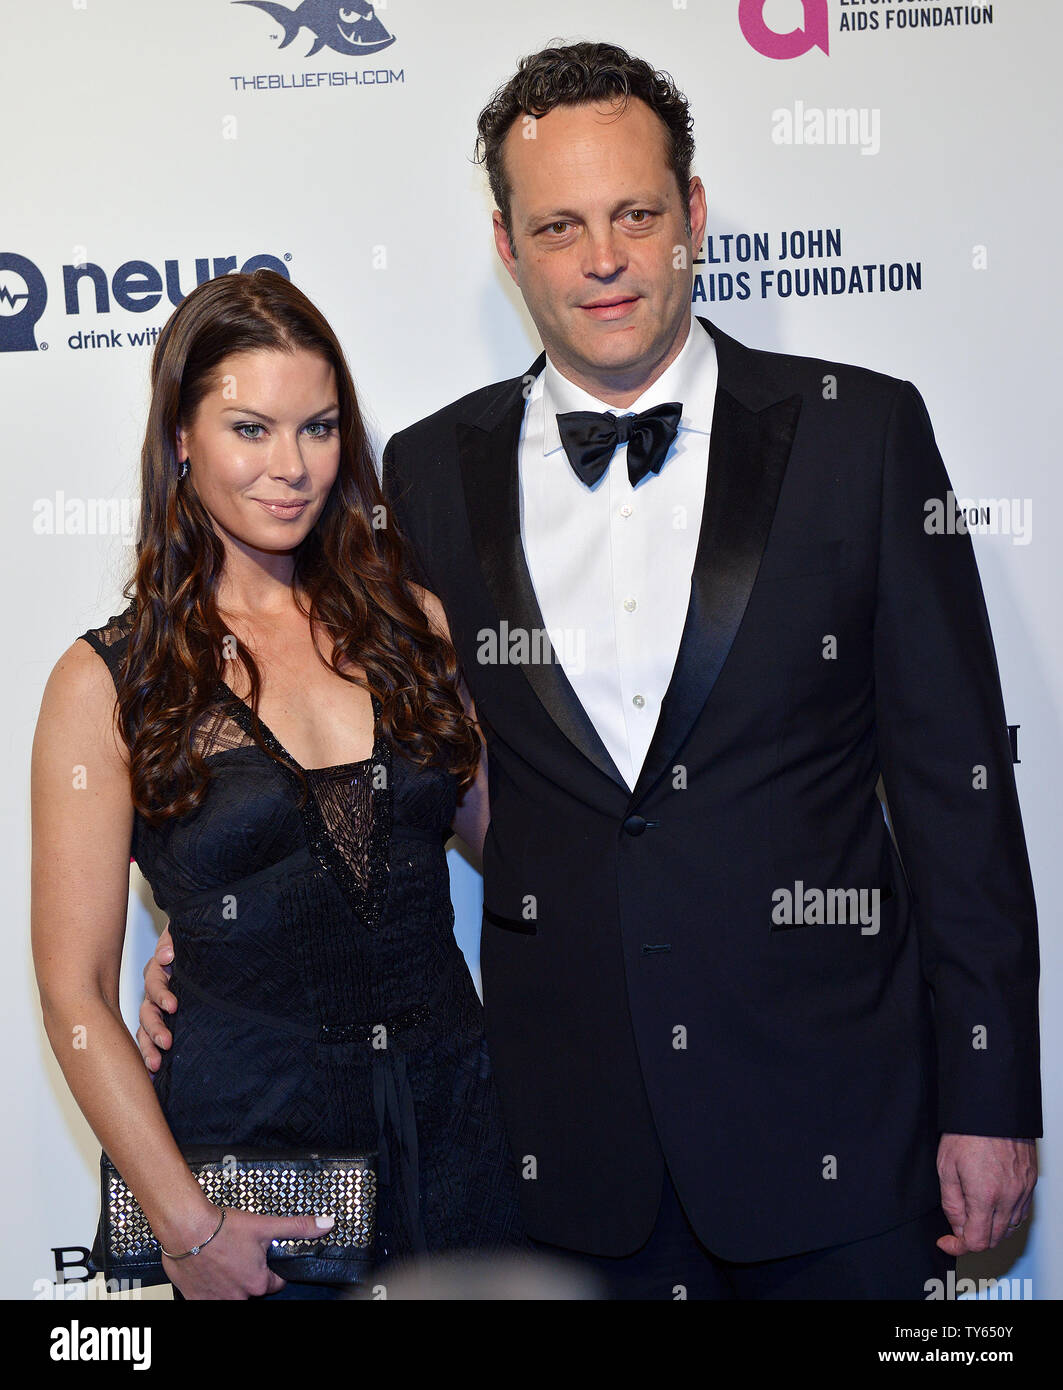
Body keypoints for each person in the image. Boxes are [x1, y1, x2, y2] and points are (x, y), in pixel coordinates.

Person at [140, 42, 1041, 1300]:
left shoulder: (860, 430)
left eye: (634, 214)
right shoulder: (432, 475)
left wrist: (992, 1092)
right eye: (558, 225)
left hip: (839, 1135)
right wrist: (232, 949)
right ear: (508, 249)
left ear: (694, 217)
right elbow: (384, 763)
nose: (602, 258)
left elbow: (959, 793)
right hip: (563, 1156)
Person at [32, 269, 525, 1301]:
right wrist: (184, 1222)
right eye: (250, 429)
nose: (291, 467)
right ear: (180, 436)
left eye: (319, 427)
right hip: (253, 1172)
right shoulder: (107, 680)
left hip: (456, 1138)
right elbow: (74, 990)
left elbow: (514, 843)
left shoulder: (410, 626)